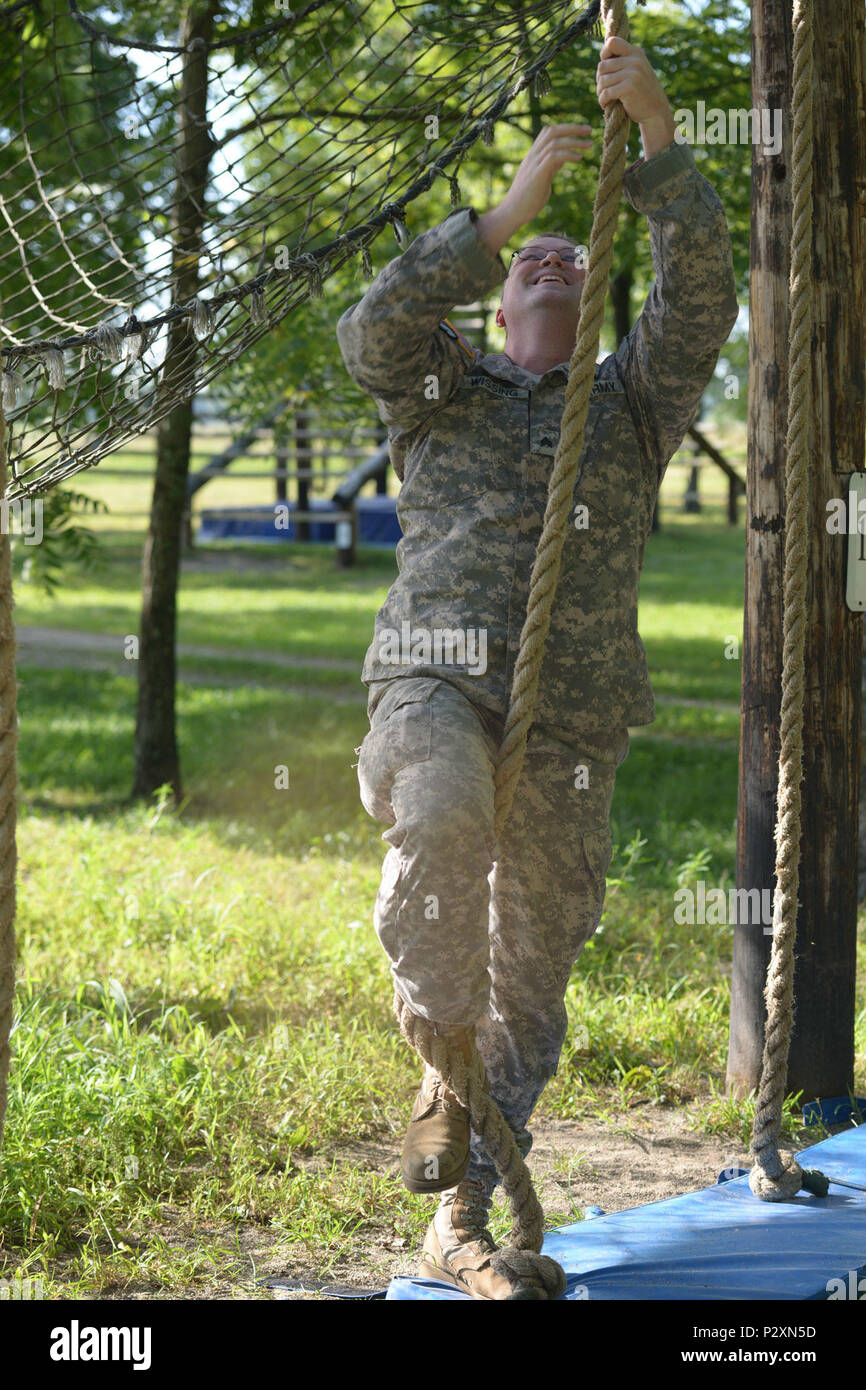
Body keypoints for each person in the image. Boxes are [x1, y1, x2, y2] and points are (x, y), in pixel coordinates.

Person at [337, 35, 738, 1299]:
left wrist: (661, 138)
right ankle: (441, 1083)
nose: (555, 256)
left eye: (570, 252)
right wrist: (506, 210)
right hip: (435, 681)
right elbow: (368, 331)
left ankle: (460, 1215)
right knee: (444, 815)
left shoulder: (625, 405)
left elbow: (703, 298)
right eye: (530, 260)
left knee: (534, 972)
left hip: (570, 725)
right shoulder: (443, 389)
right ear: (499, 306)